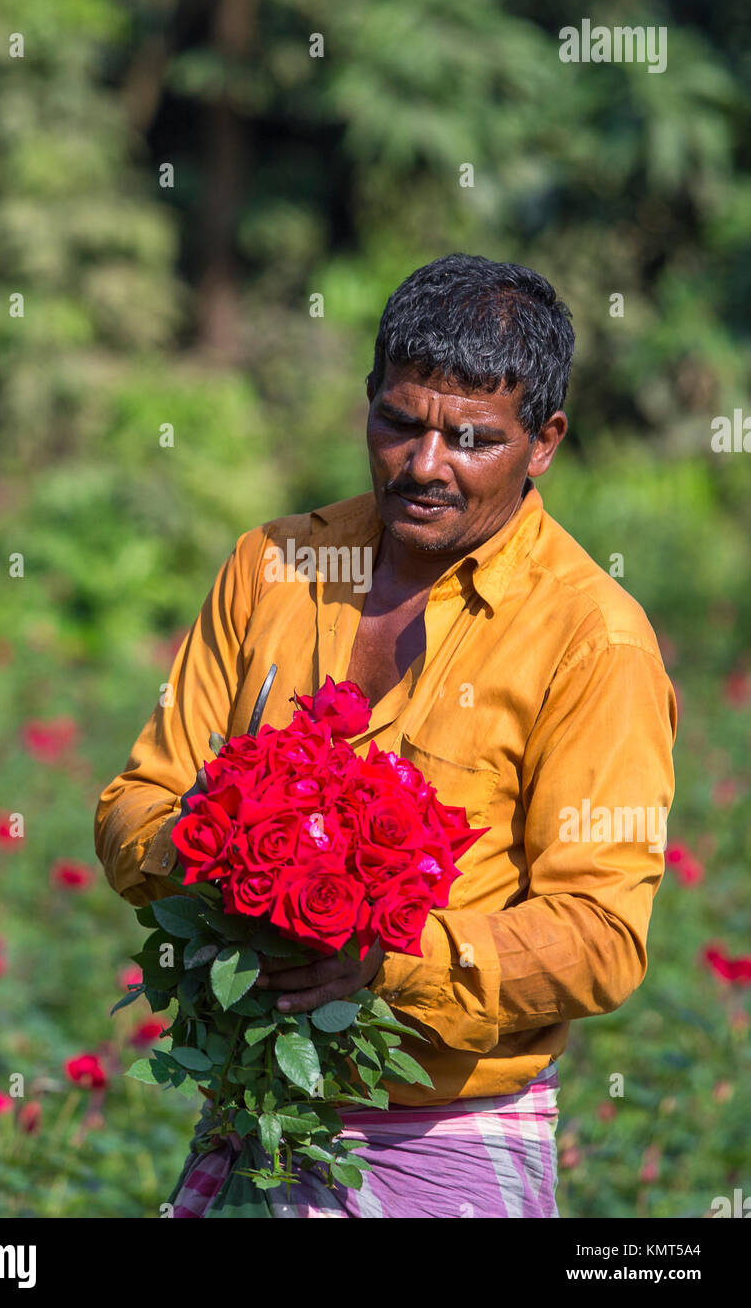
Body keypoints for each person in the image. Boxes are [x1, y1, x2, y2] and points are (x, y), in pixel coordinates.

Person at [95, 253, 677, 1217]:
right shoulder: (273, 566)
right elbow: (136, 808)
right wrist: (231, 859)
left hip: (439, 1135)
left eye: (472, 439)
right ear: (368, 403)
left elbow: (600, 936)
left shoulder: (591, 639)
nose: (425, 466)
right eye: (399, 424)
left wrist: (383, 957)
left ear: (545, 442)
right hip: (252, 1108)